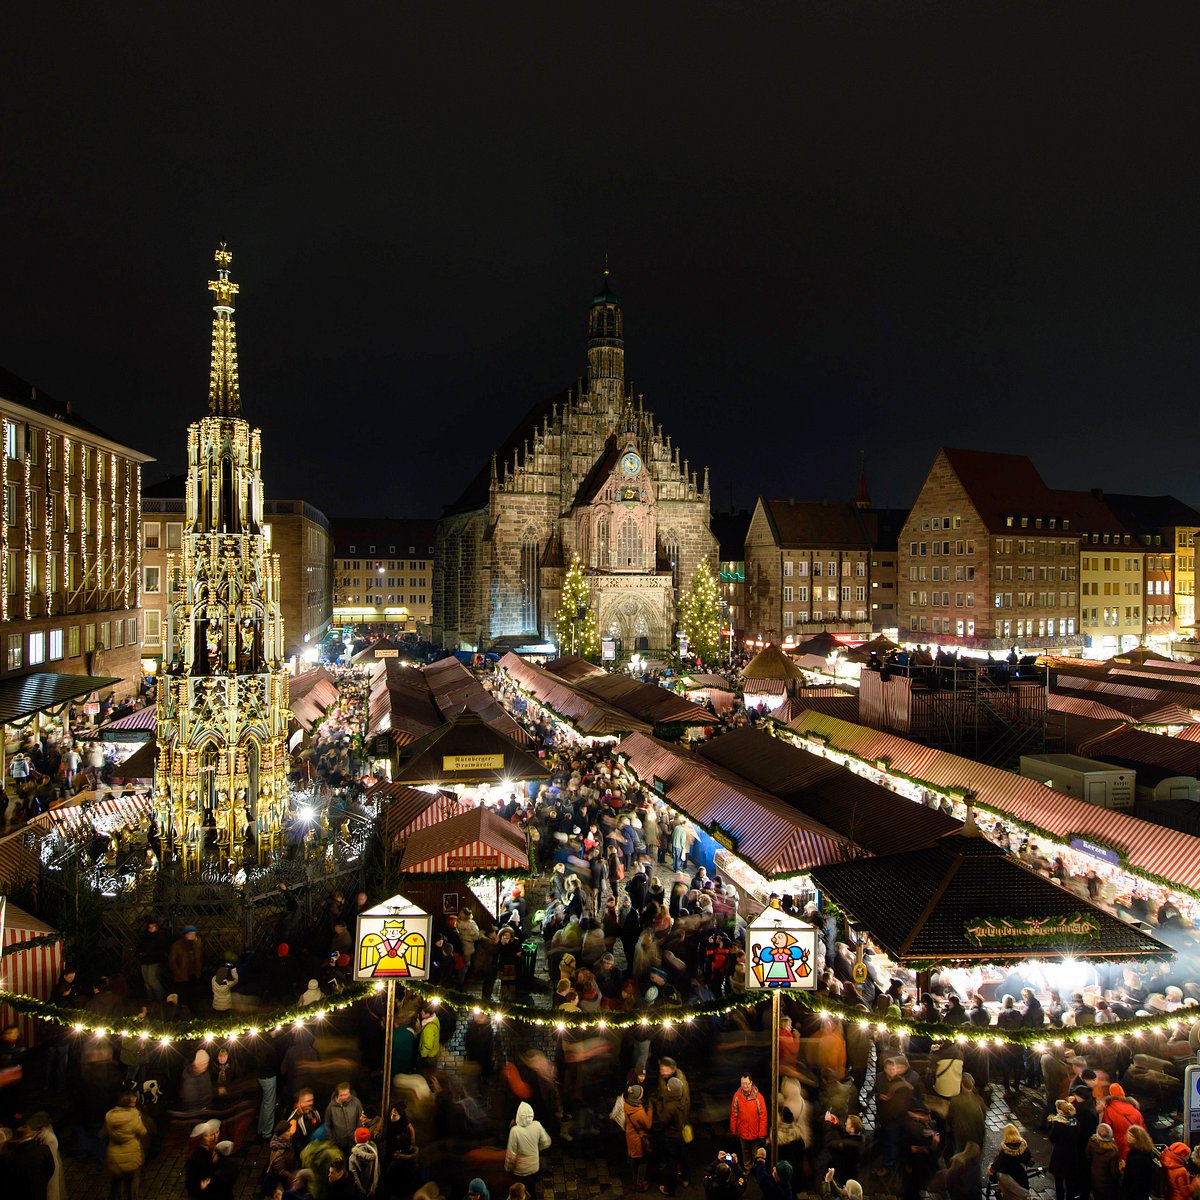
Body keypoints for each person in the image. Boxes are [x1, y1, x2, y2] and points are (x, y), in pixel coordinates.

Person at [104, 1091, 148, 1200]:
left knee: (116, 1182)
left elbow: (107, 1131)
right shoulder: (134, 1116)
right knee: (131, 1184)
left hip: (114, 1155)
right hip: (131, 1155)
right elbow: (143, 1131)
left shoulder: (110, 1115)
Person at [505, 1101, 551, 1199]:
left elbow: (511, 1155)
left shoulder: (515, 1131)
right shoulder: (537, 1125)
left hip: (520, 1171)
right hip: (534, 1167)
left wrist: (508, 1168)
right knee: (532, 1189)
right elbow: (547, 1142)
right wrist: (535, 1150)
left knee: (520, 1192)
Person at [729, 1073, 767, 1171]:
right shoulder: (737, 1096)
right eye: (743, 1084)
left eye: (747, 1083)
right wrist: (733, 1129)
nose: (745, 1086)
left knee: (756, 1154)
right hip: (743, 1131)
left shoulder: (759, 1097)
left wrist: (761, 1133)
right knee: (745, 1152)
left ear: (751, 1083)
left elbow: (763, 1116)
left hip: (755, 1133)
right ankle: (747, 1169)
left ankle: (757, 1171)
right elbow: (734, 1113)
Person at [1101, 1085, 1144, 1162]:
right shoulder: (1135, 1111)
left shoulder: (1109, 1110)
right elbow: (1142, 1130)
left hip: (1117, 1143)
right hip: (1133, 1143)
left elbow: (1105, 1130)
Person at [1047, 1099, 1079, 1200]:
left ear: (1060, 1111)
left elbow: (1053, 1138)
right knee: (1070, 1180)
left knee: (1059, 1181)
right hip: (1072, 1154)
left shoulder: (1058, 1125)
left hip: (1060, 1155)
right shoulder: (1075, 1122)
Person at [623, 1083, 653, 1193]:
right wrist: (650, 1110)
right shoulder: (639, 1112)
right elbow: (648, 1124)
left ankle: (634, 1180)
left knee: (632, 1159)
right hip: (638, 1140)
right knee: (642, 1161)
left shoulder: (627, 1104)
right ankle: (640, 1183)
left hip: (630, 1136)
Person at [989, 1125, 1034, 1192]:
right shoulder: (1023, 1146)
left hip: (1008, 1177)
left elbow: (998, 1163)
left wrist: (991, 1169)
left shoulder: (1005, 1149)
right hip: (1021, 1178)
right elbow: (1029, 1159)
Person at [170, 926, 204, 1010]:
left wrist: (198, 970)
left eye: (193, 934)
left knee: (193, 992)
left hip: (193, 972)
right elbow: (172, 961)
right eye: (189, 934)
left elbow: (199, 956)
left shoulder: (197, 943)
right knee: (183, 992)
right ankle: (183, 1010)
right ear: (185, 935)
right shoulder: (177, 945)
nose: (192, 936)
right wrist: (178, 972)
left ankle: (194, 1009)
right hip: (182, 972)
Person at [325, 1082, 364, 1154]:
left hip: (354, 1142)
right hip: (338, 1144)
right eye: (342, 1095)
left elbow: (361, 1121)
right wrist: (332, 1141)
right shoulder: (331, 1107)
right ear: (337, 1095)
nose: (345, 1097)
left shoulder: (356, 1103)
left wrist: (358, 1137)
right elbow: (327, 1124)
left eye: (346, 1094)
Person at [1121, 1126, 1157, 1200]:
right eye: (1128, 1134)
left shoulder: (1137, 1155)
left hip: (1136, 1192)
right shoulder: (1145, 1152)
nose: (1128, 1137)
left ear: (1138, 1139)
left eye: (1131, 1136)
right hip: (1143, 1190)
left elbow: (1135, 1176)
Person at [1087, 1123, 1121, 1200]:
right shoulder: (1112, 1152)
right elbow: (1114, 1172)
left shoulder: (1092, 1142)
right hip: (1107, 1184)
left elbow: (1088, 1156)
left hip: (1095, 1178)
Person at [348, 1127, 380, 1197]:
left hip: (360, 1193)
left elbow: (354, 1178)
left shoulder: (352, 1158)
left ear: (356, 1139)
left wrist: (362, 1192)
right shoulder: (375, 1152)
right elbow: (378, 1170)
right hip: (373, 1190)